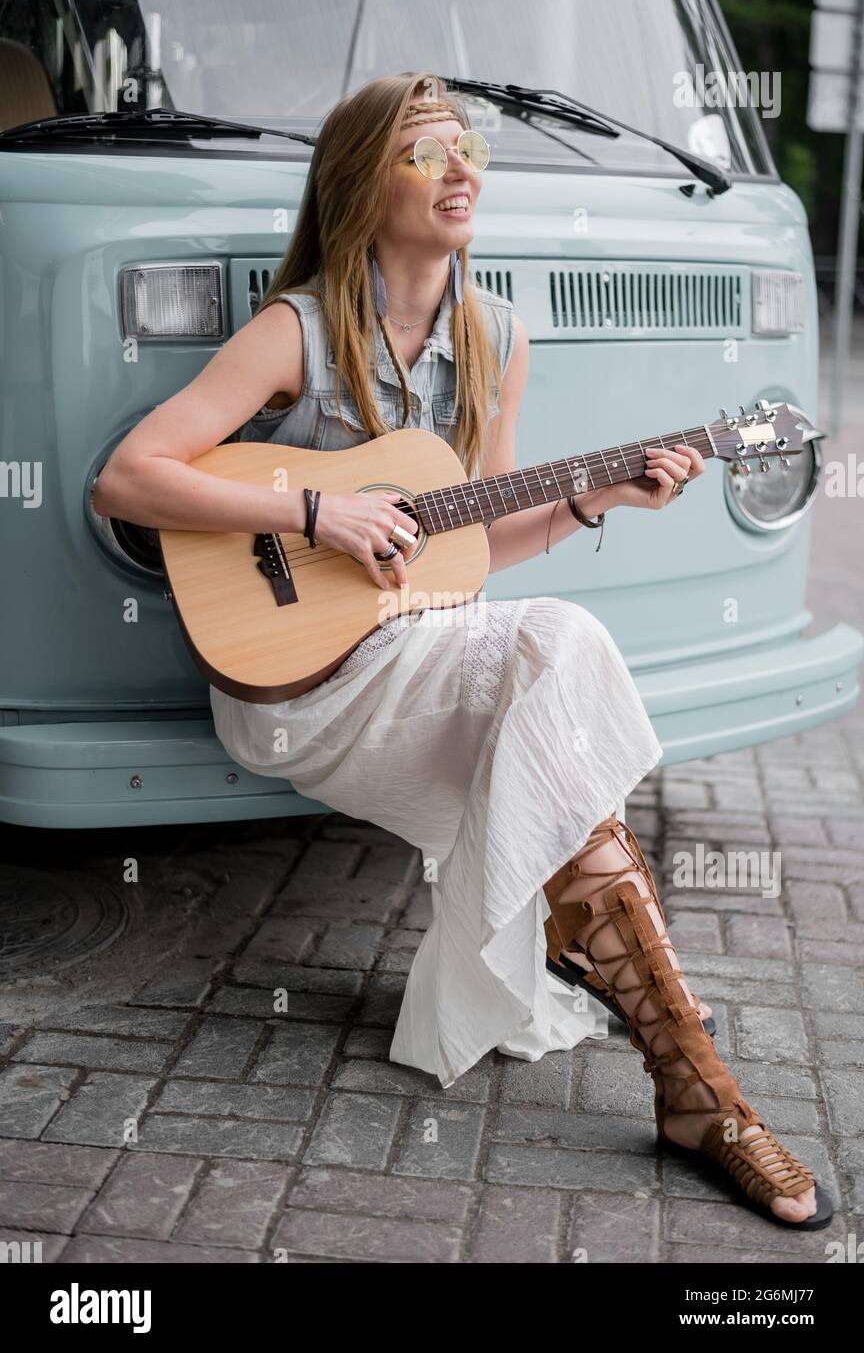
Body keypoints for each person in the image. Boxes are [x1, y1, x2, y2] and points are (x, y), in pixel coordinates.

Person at [93, 72, 832, 1230]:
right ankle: (696, 1079)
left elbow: (468, 556)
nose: (460, 172)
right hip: (302, 684)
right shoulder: (295, 327)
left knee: (553, 692)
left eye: (467, 152)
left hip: (423, 651)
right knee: (558, 666)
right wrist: (314, 514)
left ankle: (699, 1088)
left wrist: (597, 502)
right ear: (358, 186)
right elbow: (126, 475)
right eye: (423, 153)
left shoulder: (494, 338)